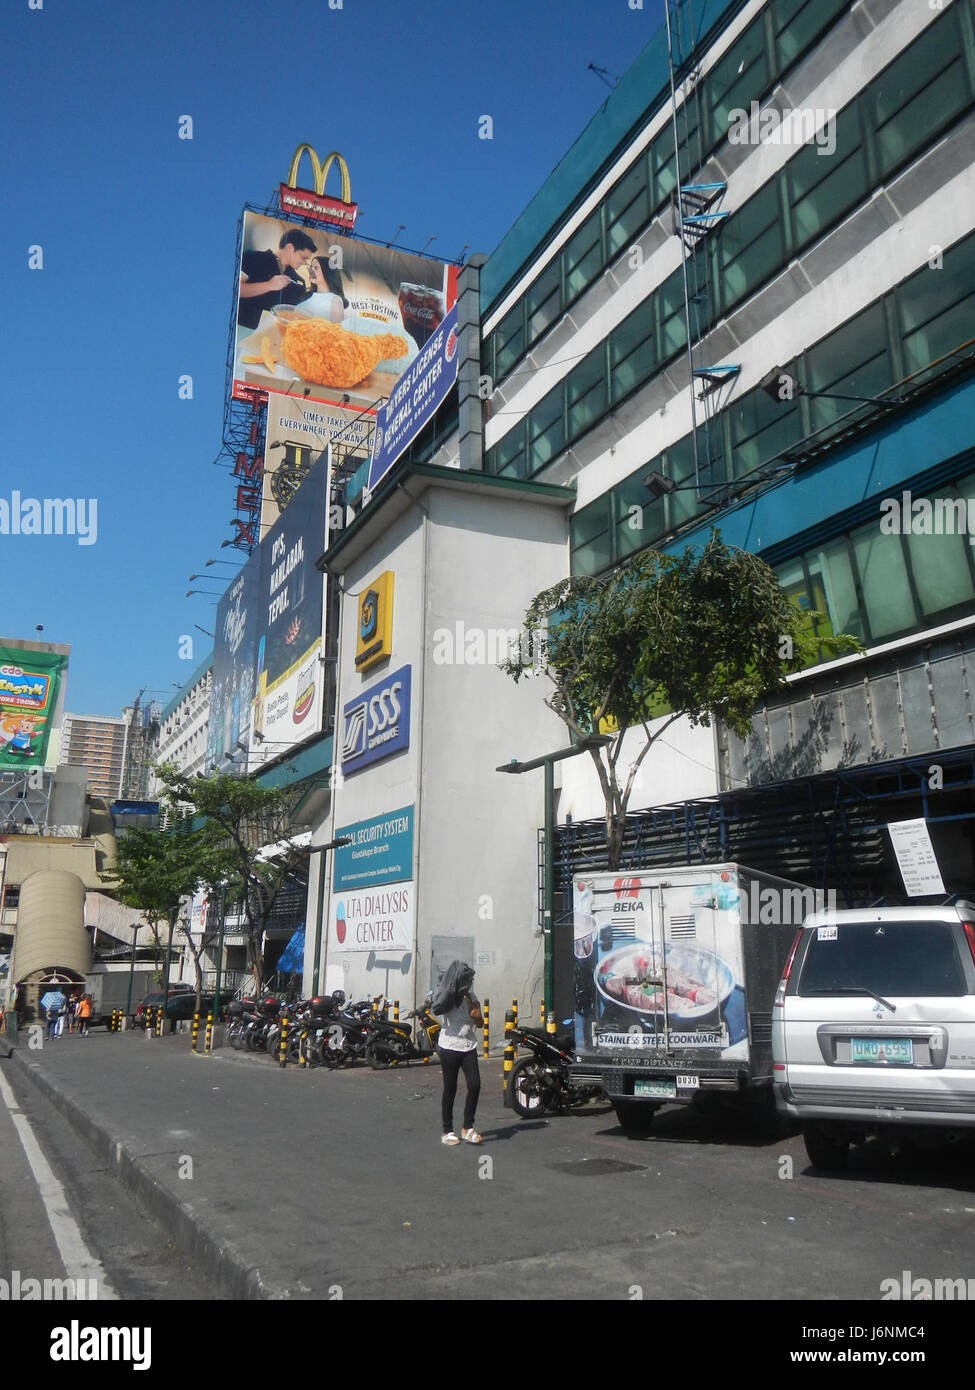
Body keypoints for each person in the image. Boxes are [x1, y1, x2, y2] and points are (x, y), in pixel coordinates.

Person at [432, 960, 483, 1145]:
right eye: (467, 979)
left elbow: (480, 1022)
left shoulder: (471, 995)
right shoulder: (448, 995)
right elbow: (437, 1007)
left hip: (468, 1044)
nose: (469, 983)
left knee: (475, 1085)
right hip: (449, 1046)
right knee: (450, 1089)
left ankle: (467, 1128)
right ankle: (447, 1131)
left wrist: (477, 1016)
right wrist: (450, 995)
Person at [237, 228, 317, 330]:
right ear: (289, 248)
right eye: (303, 257)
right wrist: (269, 285)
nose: (304, 262)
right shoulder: (253, 258)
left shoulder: (298, 283)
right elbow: (235, 290)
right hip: (241, 331)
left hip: (273, 339)